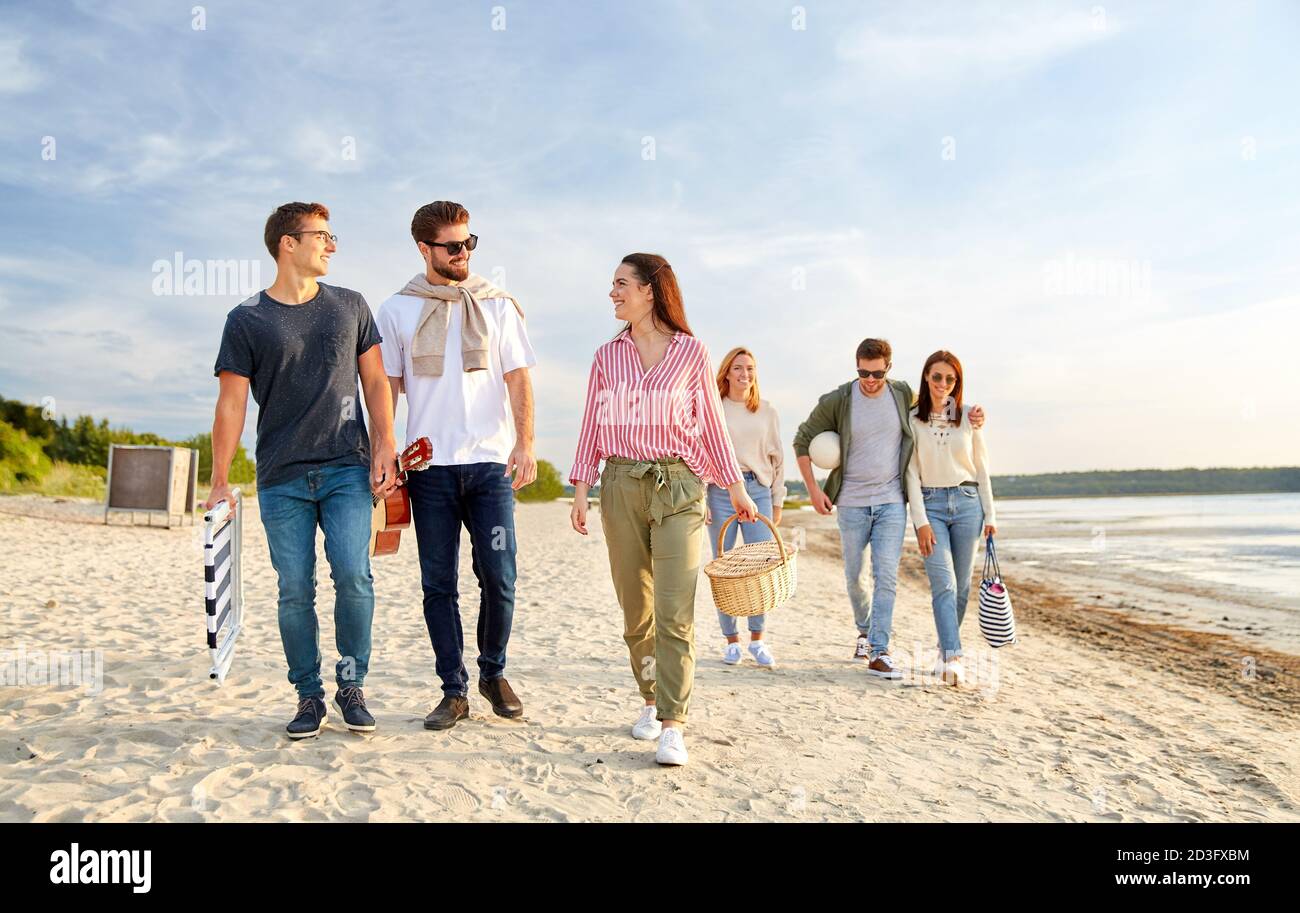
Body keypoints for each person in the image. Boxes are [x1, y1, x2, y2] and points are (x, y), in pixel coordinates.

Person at [207, 201, 397, 739]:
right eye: (322, 235)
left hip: (346, 466)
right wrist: (221, 479)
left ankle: (351, 684)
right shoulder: (246, 319)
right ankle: (308, 695)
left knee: (354, 577)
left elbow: (376, 382)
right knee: (294, 589)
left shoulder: (350, 306)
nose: (332, 245)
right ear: (288, 243)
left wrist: (385, 443)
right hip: (281, 475)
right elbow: (231, 404)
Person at [569, 254, 757, 766]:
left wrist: (735, 488)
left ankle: (674, 723)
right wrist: (582, 487)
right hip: (620, 485)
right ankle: (650, 700)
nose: (612, 293)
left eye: (621, 284)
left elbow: (713, 426)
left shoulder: (692, 352)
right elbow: (591, 424)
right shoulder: (606, 356)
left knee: (676, 611)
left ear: (650, 291)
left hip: (679, 487)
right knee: (638, 612)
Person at [377, 201, 537, 732]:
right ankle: (454, 689)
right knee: (437, 583)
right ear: (425, 250)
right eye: (452, 246)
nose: (463, 253)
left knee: (500, 575)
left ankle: (493, 672)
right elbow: (389, 386)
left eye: (470, 243)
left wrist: (526, 444)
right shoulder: (398, 309)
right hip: (429, 469)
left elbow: (517, 377)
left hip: (490, 464)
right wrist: (384, 449)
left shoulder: (497, 304)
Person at [793, 338, 984, 679]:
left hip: (892, 501)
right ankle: (864, 631)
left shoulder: (901, 394)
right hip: (851, 503)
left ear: (889, 369)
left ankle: (879, 651)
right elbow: (802, 440)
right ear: (857, 367)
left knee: (886, 578)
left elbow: (937, 404)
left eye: (877, 373)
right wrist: (813, 489)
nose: (870, 380)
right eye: (863, 372)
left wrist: (970, 412)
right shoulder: (839, 399)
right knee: (855, 577)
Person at [904, 350, 997, 686]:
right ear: (926, 377)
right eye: (937, 376)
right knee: (943, 583)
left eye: (950, 378)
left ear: (957, 382)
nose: (943, 384)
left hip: (969, 503)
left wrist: (991, 514)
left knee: (961, 589)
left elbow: (982, 465)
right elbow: (911, 473)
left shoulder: (969, 415)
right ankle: (955, 657)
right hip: (932, 506)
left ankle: (945, 650)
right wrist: (920, 521)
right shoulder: (913, 419)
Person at [705, 347, 785, 668]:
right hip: (720, 491)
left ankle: (757, 639)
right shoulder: (714, 409)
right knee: (723, 567)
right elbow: (702, 452)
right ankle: (731, 642)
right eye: (738, 368)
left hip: (758, 489)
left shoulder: (767, 411)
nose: (744, 375)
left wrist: (777, 501)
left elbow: (778, 460)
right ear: (726, 373)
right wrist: (702, 496)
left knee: (758, 567)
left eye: (750, 369)